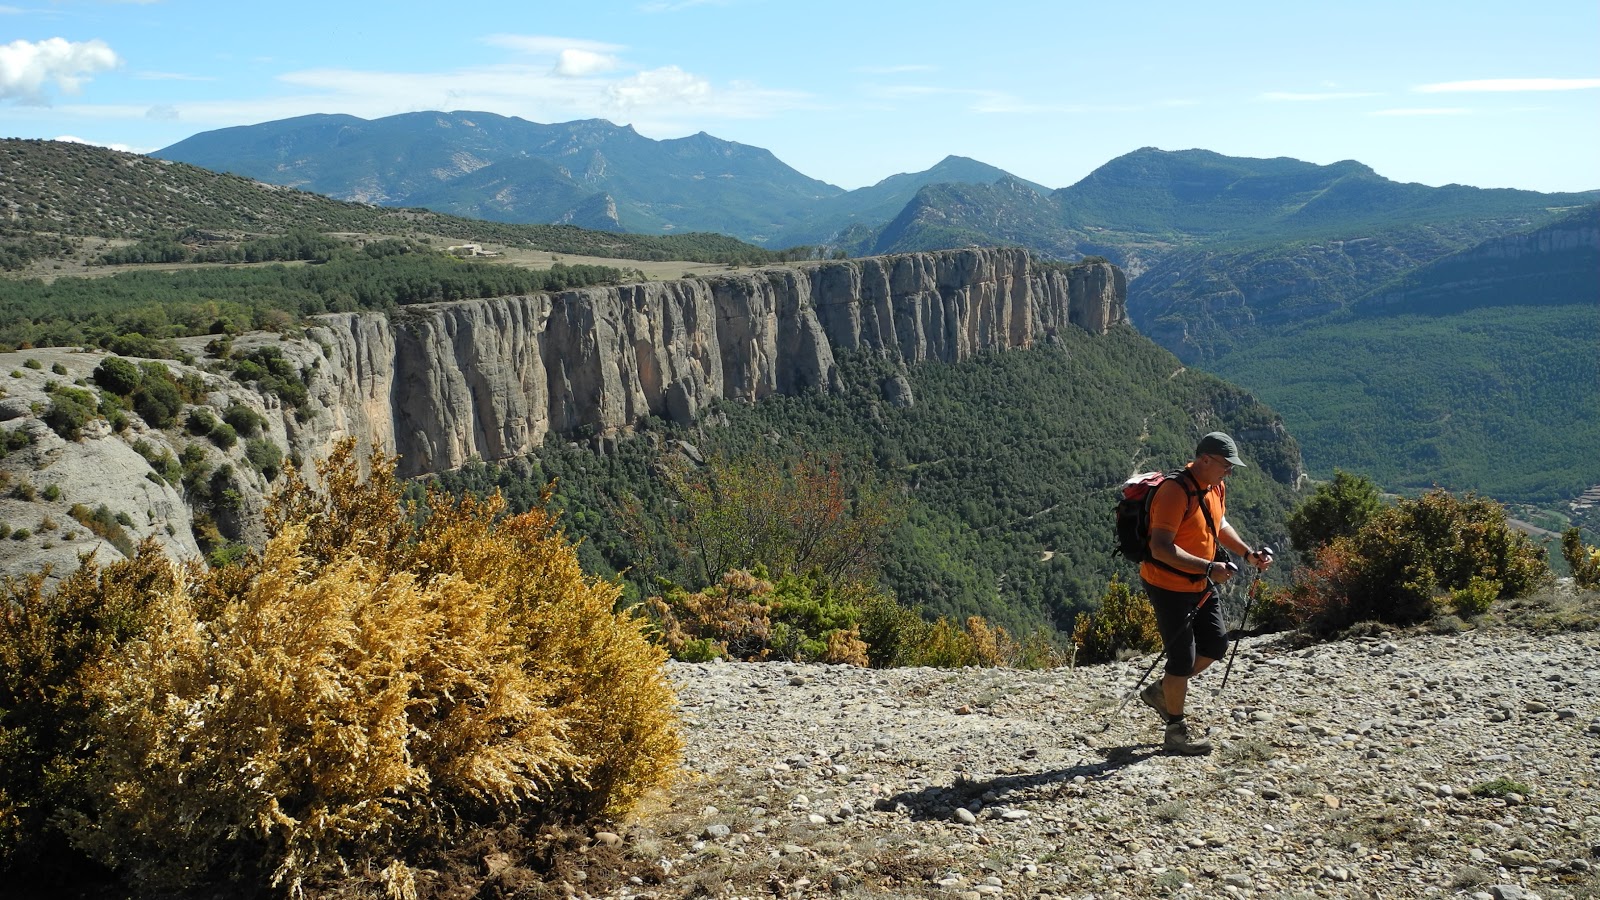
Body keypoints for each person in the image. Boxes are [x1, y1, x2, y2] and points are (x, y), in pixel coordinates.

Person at [1138, 432, 1273, 755]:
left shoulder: (1214, 486)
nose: (1229, 472)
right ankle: (1176, 731)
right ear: (1205, 460)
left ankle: (1162, 691)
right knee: (1181, 659)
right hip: (1168, 584)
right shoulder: (1174, 491)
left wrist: (1246, 553)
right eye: (1226, 465)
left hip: (1199, 580)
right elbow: (1160, 548)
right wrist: (1209, 567)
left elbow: (1218, 524)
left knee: (1215, 644)